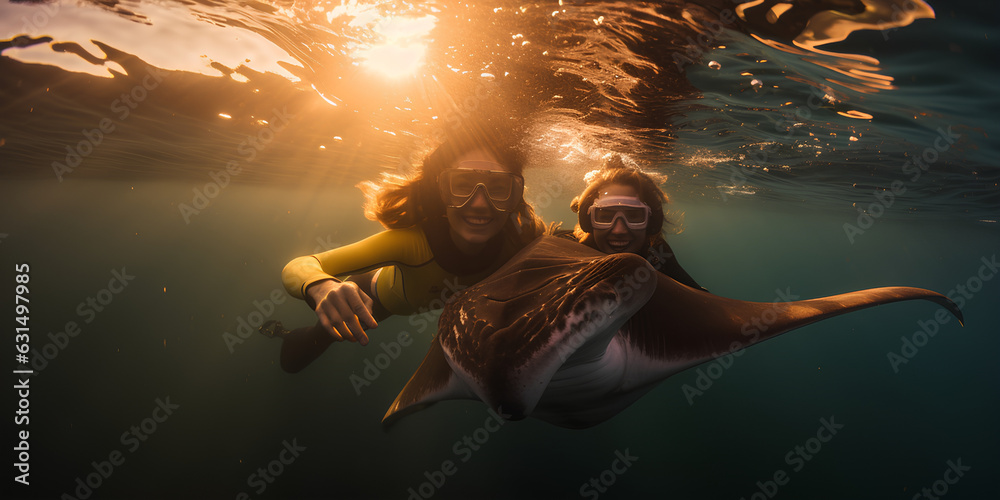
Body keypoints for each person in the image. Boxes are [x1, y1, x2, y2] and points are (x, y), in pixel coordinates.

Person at [264, 120, 544, 373]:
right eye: (461, 184)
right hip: (367, 298)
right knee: (297, 359)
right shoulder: (411, 244)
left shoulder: (521, 242)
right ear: (439, 193)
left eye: (498, 188)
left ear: (515, 196)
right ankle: (285, 335)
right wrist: (322, 287)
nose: (480, 203)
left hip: (410, 302)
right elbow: (299, 265)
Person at [569, 157, 706, 291]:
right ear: (587, 221)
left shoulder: (657, 253)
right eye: (605, 216)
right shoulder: (568, 252)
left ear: (652, 222)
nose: (619, 230)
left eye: (634, 216)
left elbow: (700, 298)